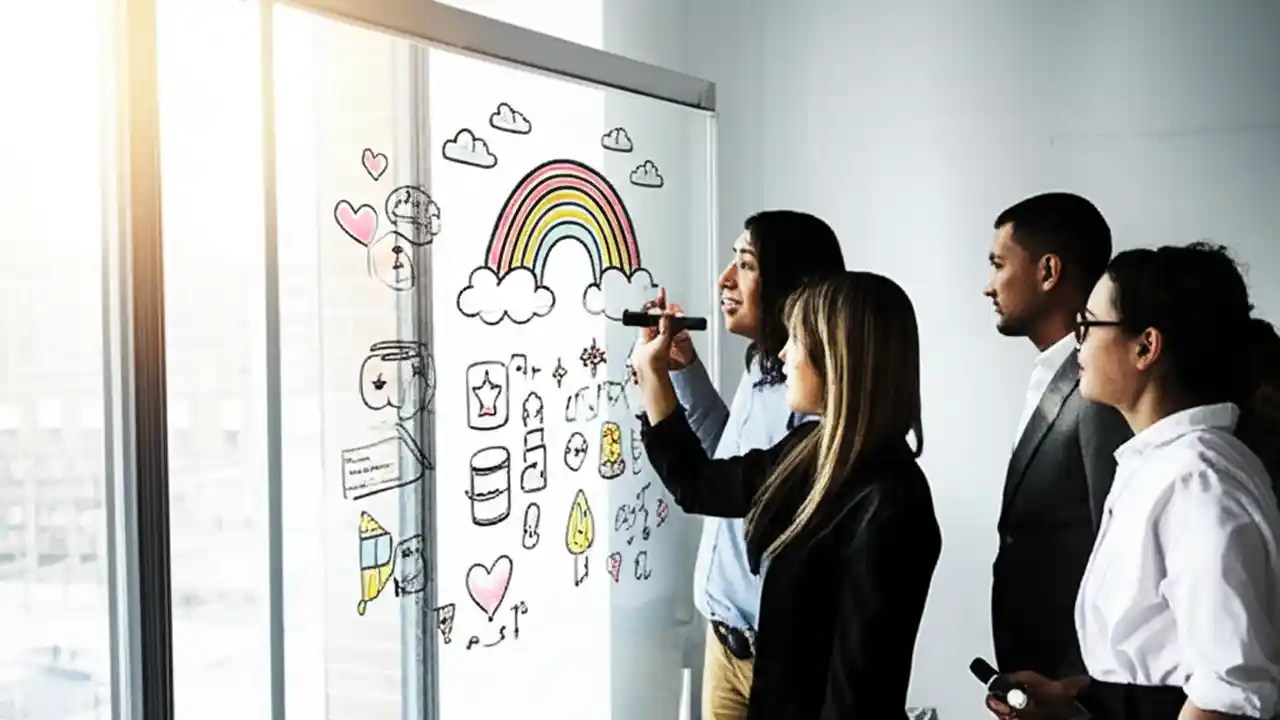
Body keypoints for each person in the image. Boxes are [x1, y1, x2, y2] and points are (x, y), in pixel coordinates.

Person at [986, 242, 1280, 719]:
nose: (1077, 342)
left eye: (1088, 324)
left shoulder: (1197, 480)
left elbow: (1231, 690)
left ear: (1146, 346)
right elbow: (1161, 653)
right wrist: (1075, 699)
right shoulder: (1157, 464)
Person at [635, 271, 942, 719]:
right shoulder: (811, 453)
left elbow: (857, 696)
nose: (782, 354)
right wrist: (654, 375)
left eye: (795, 340)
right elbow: (699, 485)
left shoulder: (892, 503)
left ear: (837, 358)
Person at [650, 210, 845, 719]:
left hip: (778, 661)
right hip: (724, 645)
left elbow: (709, 486)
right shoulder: (762, 364)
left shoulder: (815, 397)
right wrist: (685, 370)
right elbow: (729, 460)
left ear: (791, 282)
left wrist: (652, 383)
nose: (725, 279)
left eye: (746, 264)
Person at [982, 192, 1133, 679]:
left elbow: (1116, 549)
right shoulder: (1054, 372)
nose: (988, 286)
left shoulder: (1099, 387)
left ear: (1048, 271)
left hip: (1073, 688)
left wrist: (1076, 688)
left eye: (999, 264)